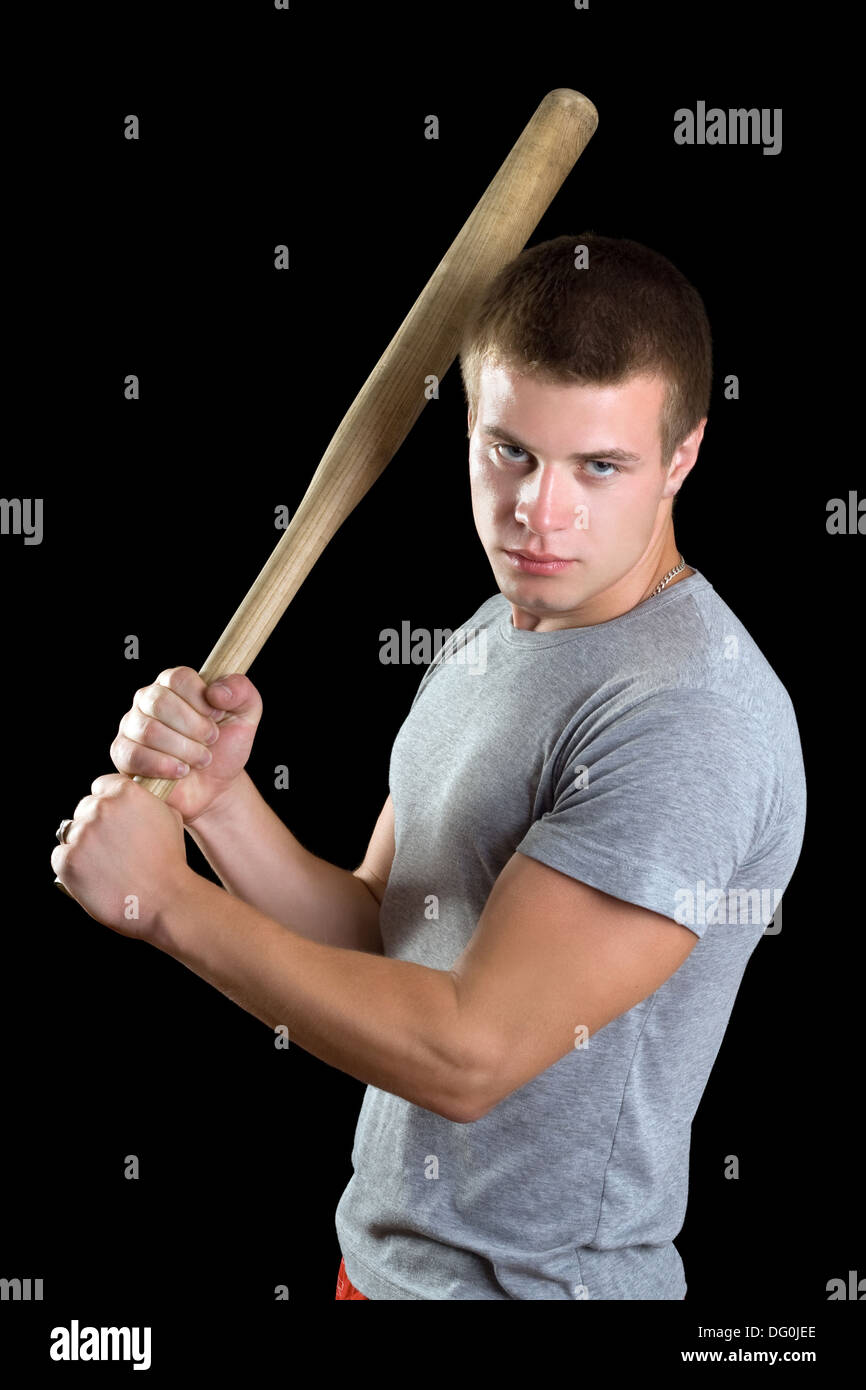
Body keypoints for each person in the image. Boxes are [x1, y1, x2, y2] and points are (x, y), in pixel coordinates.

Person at [95, 233, 806, 1300]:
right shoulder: (493, 631)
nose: (538, 512)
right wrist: (219, 808)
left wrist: (164, 905)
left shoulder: (689, 715)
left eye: (597, 466)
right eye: (508, 450)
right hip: (379, 1268)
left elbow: (467, 1053)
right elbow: (382, 933)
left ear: (681, 457)